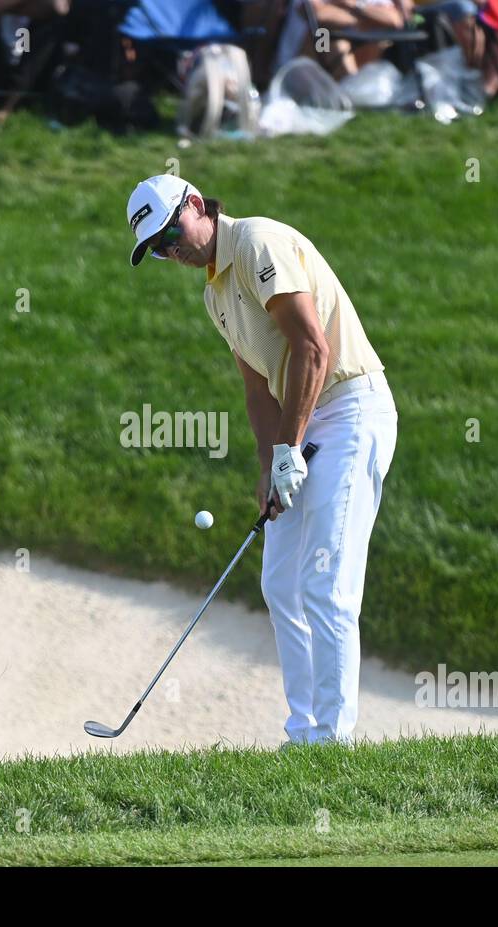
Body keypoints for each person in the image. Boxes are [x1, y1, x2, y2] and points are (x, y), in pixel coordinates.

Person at [125, 174, 398, 748]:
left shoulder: (257, 244)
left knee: (325, 581)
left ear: (196, 205)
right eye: (157, 248)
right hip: (303, 420)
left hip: (350, 408)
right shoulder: (213, 293)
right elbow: (258, 390)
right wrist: (269, 463)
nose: (170, 250)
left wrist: (289, 449)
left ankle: (331, 740)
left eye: (170, 232)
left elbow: (312, 349)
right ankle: (302, 733)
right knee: (280, 583)